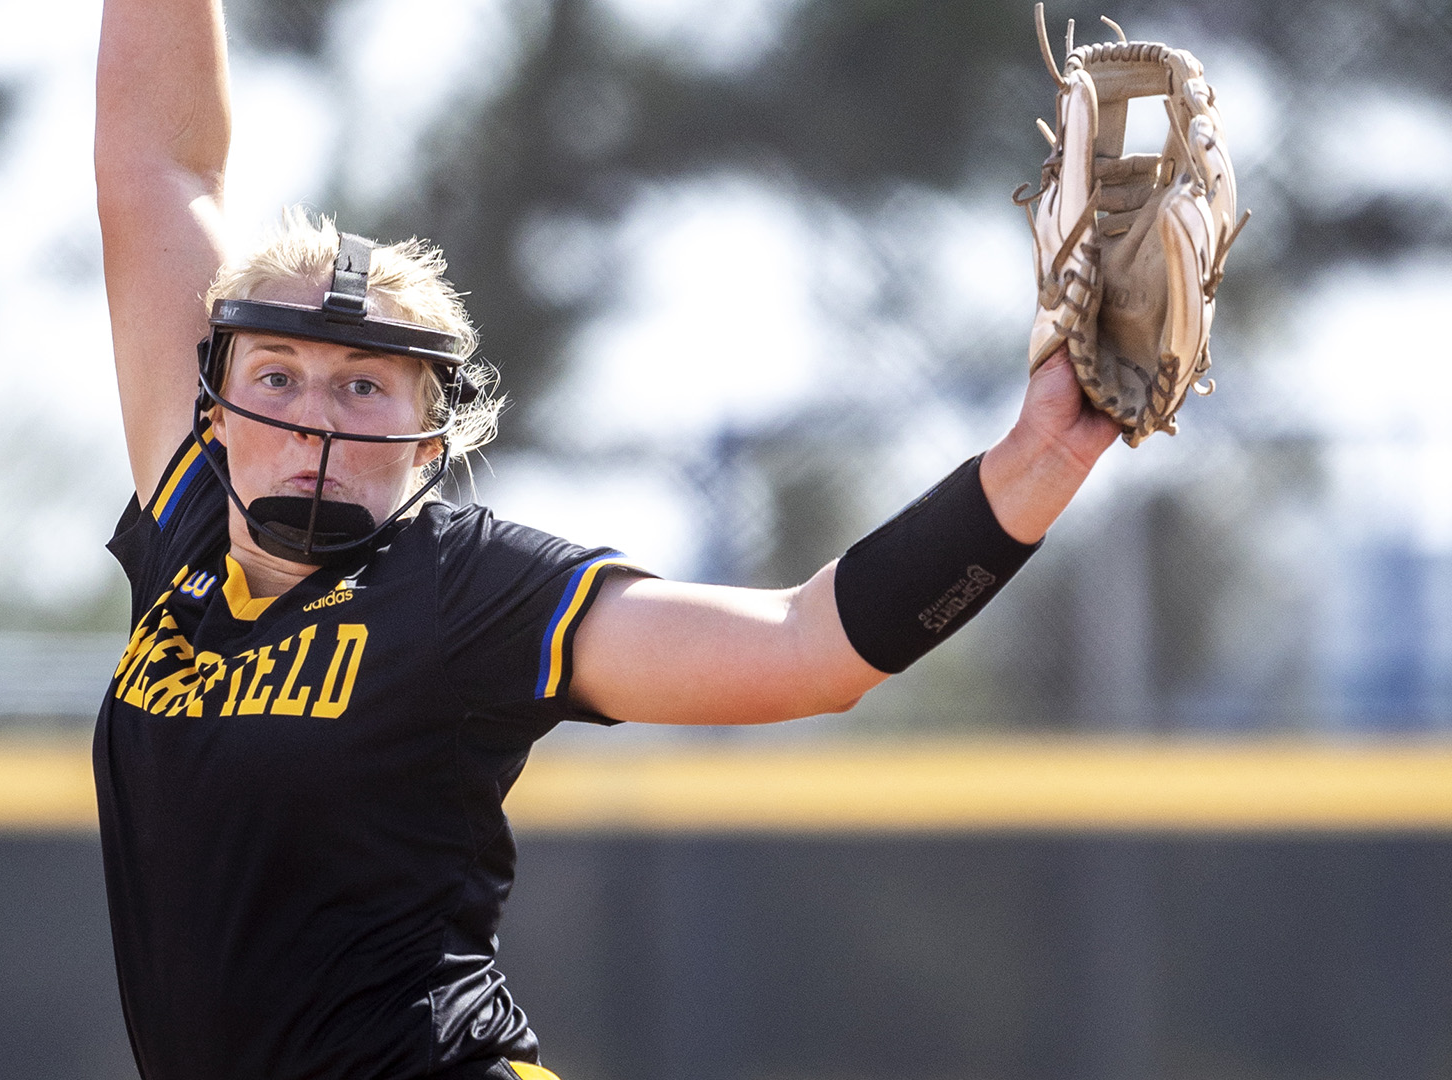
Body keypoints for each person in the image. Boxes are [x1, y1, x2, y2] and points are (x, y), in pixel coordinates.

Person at [90, 2, 1120, 1079]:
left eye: (364, 385)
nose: (315, 416)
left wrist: (1034, 466)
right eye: (278, 375)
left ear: (430, 441)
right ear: (214, 408)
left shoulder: (463, 587)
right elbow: (158, 170)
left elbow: (801, 645)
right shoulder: (190, 528)